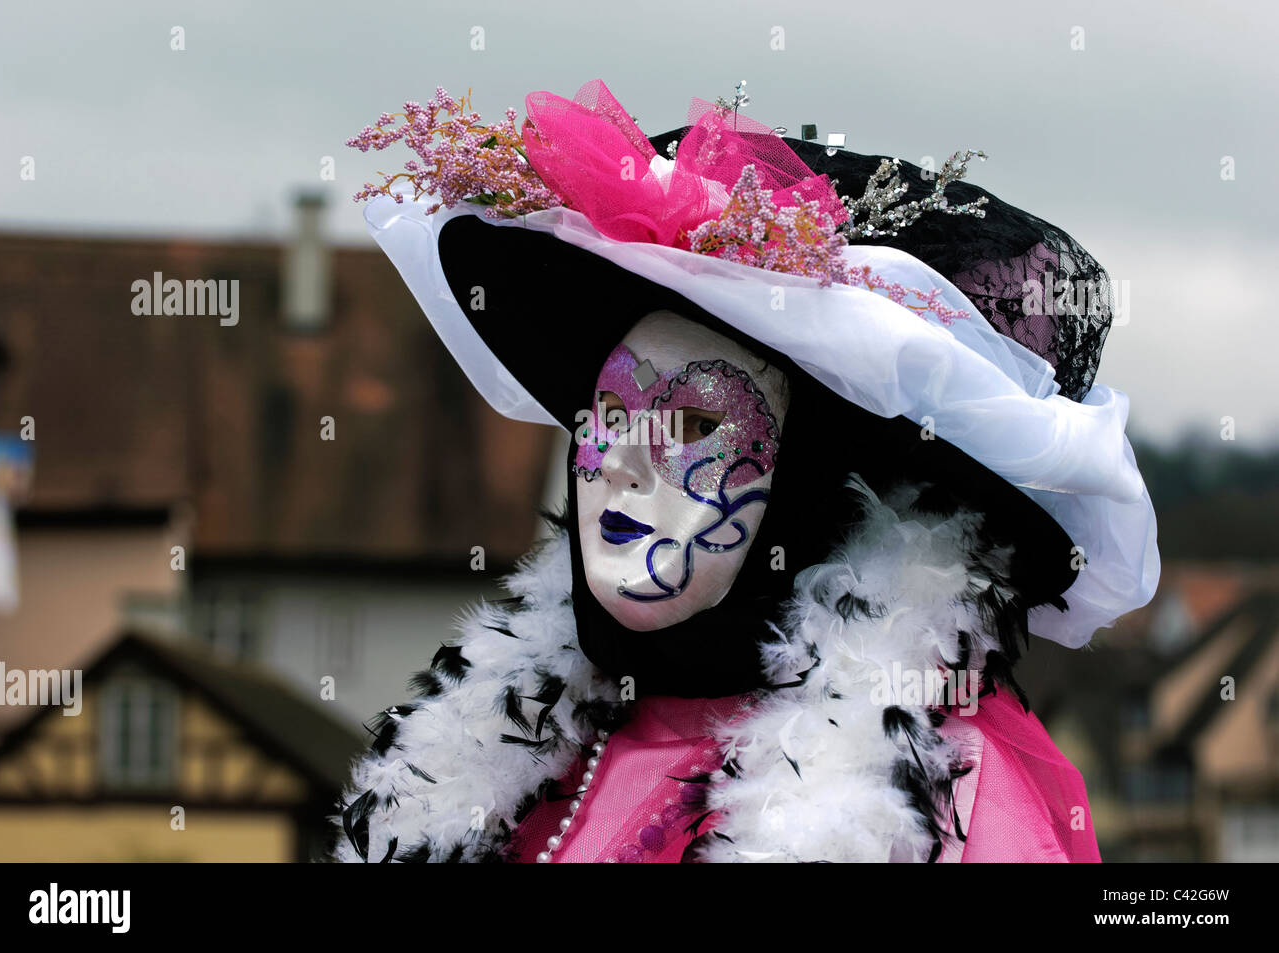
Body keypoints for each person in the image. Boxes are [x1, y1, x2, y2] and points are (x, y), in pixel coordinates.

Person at [332, 80, 1159, 863]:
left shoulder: (946, 794)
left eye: (692, 423)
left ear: (823, 475)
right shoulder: (516, 759)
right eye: (610, 416)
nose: (620, 463)